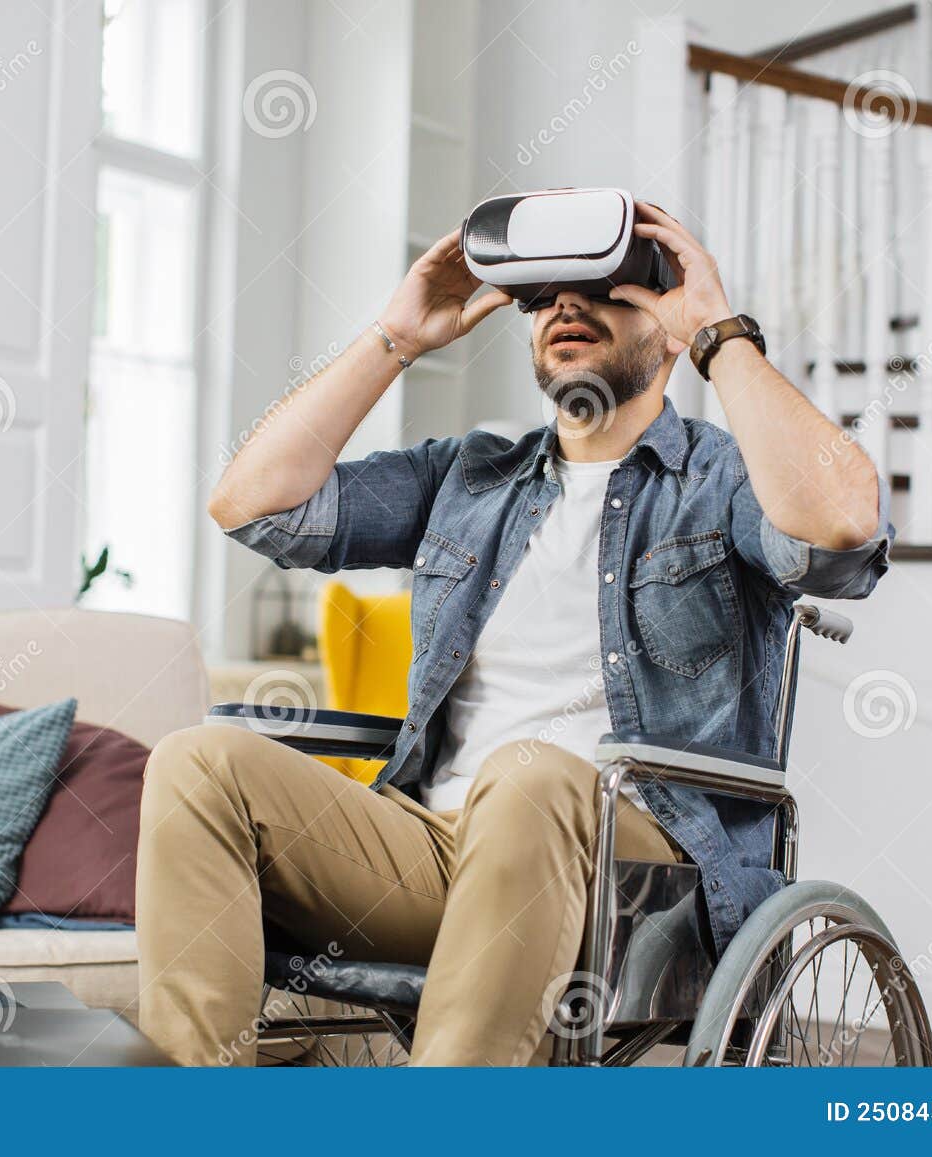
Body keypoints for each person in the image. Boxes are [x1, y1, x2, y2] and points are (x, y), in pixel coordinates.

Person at [137, 200, 891, 1065]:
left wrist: (723, 333)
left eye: (606, 285)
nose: (567, 305)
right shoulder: (469, 476)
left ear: (671, 321)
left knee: (526, 774)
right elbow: (252, 505)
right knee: (198, 762)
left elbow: (840, 524)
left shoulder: (722, 477)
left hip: (641, 876)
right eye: (544, 293)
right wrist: (398, 335)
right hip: (443, 849)